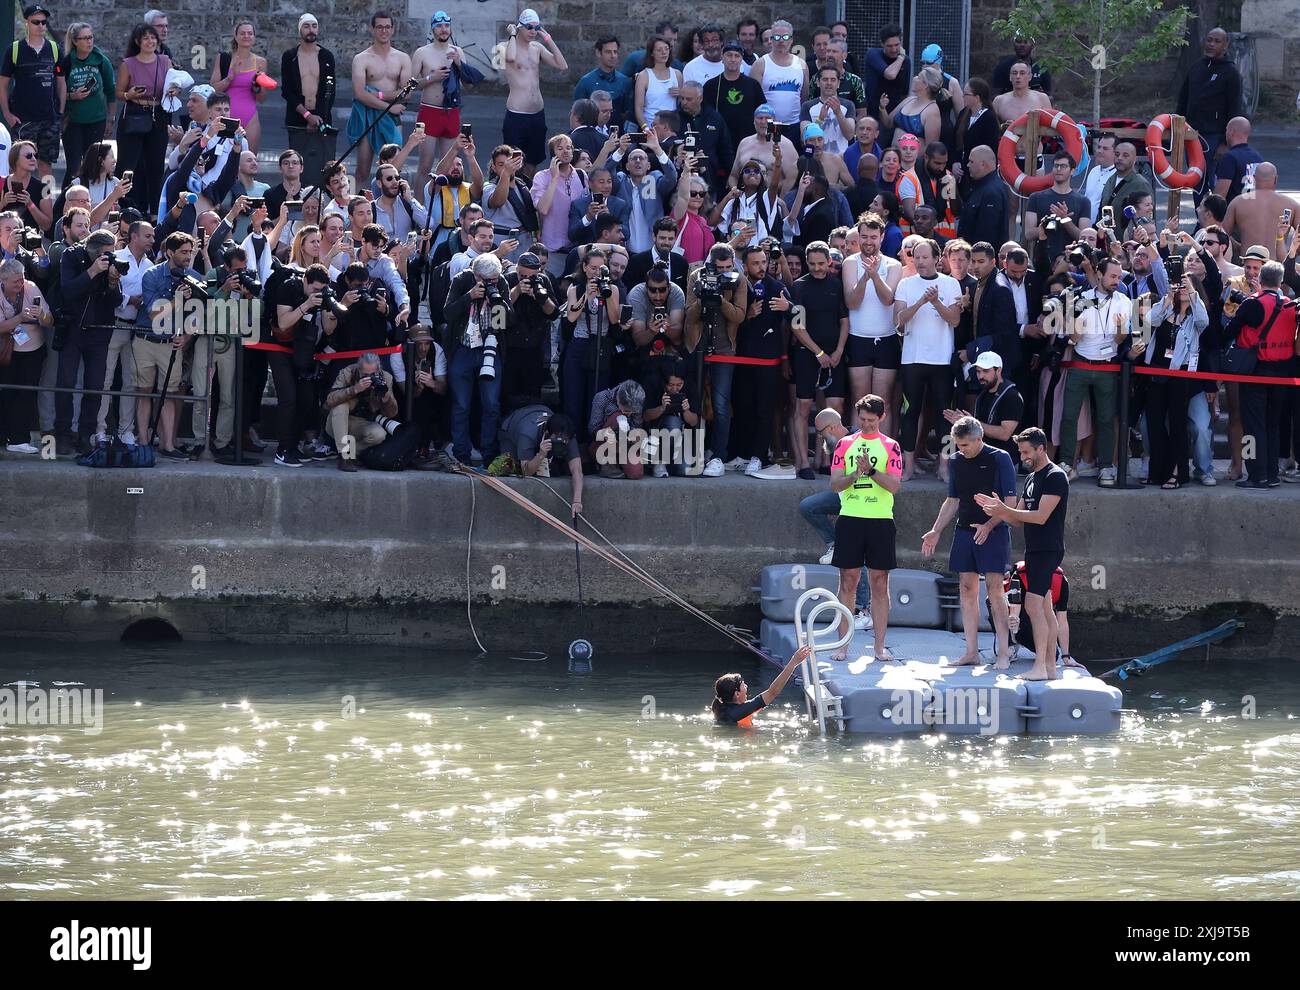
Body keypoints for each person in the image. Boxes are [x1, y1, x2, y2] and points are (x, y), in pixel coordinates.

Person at [922, 416, 1016, 667]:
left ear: (979, 439)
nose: (960, 450)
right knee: (966, 588)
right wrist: (936, 530)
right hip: (964, 530)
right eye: (957, 445)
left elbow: (1011, 503)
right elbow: (952, 500)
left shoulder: (1000, 458)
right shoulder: (956, 461)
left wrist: (989, 525)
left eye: (965, 445)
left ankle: (1004, 652)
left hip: (994, 530)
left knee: (996, 589)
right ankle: (971, 651)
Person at [975, 428, 1069, 682]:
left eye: (1027, 451)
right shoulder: (1031, 478)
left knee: (1033, 605)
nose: (1023, 456)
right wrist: (997, 511)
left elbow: (1040, 516)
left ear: (1041, 448)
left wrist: (1006, 510)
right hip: (1035, 549)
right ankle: (1049, 667)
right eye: (1021, 451)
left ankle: (1040, 665)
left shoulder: (1055, 476)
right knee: (1045, 608)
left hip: (1048, 548)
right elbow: (1017, 519)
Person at [829, 393, 903, 662]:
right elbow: (835, 484)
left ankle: (879, 646)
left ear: (882, 417)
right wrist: (855, 475)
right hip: (850, 517)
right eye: (862, 419)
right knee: (847, 580)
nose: (866, 425)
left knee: (879, 583)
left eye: (871, 420)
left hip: (880, 519)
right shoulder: (844, 444)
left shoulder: (891, 446)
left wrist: (871, 472)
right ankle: (843, 644)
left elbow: (895, 486)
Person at [894, 238, 962, 481]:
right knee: (910, 413)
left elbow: (954, 320)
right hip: (913, 359)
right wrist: (921, 301)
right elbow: (898, 320)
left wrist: (936, 302)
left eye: (925, 257)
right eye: (916, 257)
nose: (920, 261)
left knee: (945, 415)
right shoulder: (906, 284)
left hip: (942, 360)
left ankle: (944, 466)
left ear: (936, 258)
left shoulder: (951, 284)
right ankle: (908, 465)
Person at [1058, 257, 1130, 486]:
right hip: (1080, 362)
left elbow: (1122, 340)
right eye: (1112, 276)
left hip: (1107, 365)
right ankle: (1067, 463)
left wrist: (1120, 330)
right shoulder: (1079, 298)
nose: (1116, 281)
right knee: (1069, 416)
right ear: (1099, 274)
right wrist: (1076, 329)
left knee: (1107, 418)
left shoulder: (1125, 301)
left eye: (1119, 277)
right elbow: (1070, 338)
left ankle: (1106, 466)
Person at [1226, 260, 1297, 489]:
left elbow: (1231, 330)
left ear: (1261, 279)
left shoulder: (1252, 304)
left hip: (1255, 372)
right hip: (1282, 373)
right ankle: (1272, 474)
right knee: (1273, 425)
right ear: (1281, 281)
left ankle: (1256, 475)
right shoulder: (1290, 305)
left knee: (1252, 426)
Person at [1143, 272, 1210, 489]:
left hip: (1180, 375)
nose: (1181, 288)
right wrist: (1167, 297)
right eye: (1179, 285)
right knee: (1154, 424)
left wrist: (1192, 292)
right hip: (1156, 373)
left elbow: (1204, 321)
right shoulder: (1165, 310)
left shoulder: (1195, 316)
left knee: (1178, 425)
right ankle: (1156, 472)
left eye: (1186, 286)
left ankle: (1176, 473)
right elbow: (1149, 320)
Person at [789, 241, 850, 480]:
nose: (817, 268)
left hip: (834, 356)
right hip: (807, 355)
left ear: (829, 262)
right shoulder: (799, 287)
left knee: (834, 408)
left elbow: (844, 321)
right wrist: (818, 353)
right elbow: (797, 326)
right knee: (803, 407)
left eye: (821, 264)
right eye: (812, 264)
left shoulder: (836, 285)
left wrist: (837, 351)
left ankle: (826, 460)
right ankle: (802, 462)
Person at [347, 13, 411, 186]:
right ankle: (357, 209)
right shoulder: (361, 58)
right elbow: (359, 93)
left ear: (393, 29)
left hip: (391, 117)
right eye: (380, 27)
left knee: (394, 170)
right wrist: (388, 106)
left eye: (387, 27)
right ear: (372, 29)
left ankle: (392, 209)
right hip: (367, 115)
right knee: (362, 171)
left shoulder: (402, 58)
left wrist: (377, 94)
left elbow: (406, 92)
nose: (384, 31)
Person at [114, 23, 171, 217]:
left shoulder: (165, 61)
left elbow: (174, 85)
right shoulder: (128, 63)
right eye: (146, 38)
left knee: (155, 166)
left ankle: (155, 211)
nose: (150, 41)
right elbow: (119, 93)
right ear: (138, 41)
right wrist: (129, 94)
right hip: (134, 114)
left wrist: (174, 90)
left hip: (158, 115)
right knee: (128, 165)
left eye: (153, 37)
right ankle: (126, 208)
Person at [1176, 25, 1242, 193]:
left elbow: (1235, 109)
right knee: (1196, 180)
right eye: (1209, 40)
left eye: (1217, 41)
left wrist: (1225, 143)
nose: (1212, 44)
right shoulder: (1196, 68)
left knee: (1213, 182)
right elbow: (1183, 101)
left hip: (1215, 137)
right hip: (1191, 134)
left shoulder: (1231, 72)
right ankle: (1201, 218)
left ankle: (1217, 218)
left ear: (1225, 45)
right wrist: (1178, 130)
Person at [0, 6, 64, 180]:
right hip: (22, 119)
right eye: (36, 22)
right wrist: (7, 114)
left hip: (49, 119)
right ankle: (17, 204)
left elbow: (61, 81)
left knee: (46, 165)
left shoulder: (55, 49)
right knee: (20, 165)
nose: (41, 26)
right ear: (27, 22)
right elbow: (2, 84)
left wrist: (60, 112)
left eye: (44, 22)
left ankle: (47, 204)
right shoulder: (14, 50)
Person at [503, 10, 568, 167]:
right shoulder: (503, 47)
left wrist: (548, 38)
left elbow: (562, 65)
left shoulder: (537, 48)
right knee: (514, 162)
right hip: (516, 115)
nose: (533, 31)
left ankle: (531, 190)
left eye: (536, 27)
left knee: (533, 162)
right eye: (529, 27)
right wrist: (512, 35)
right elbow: (510, 57)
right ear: (519, 27)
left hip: (537, 115)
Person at [281, 15, 338, 193]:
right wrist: (307, 115)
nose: (311, 30)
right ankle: (295, 200)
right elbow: (287, 91)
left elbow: (330, 91)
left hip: (322, 118)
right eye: (306, 26)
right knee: (296, 165)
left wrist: (318, 117)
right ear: (300, 30)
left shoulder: (326, 56)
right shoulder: (290, 56)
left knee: (324, 166)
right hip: (298, 118)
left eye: (314, 26)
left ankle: (323, 203)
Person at [0, 255, 51, 453]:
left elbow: (50, 320)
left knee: (26, 394)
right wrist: (21, 317)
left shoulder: (31, 287)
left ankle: (20, 439)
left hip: (33, 349)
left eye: (22, 278)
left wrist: (41, 315)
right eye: (15, 281)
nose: (20, 283)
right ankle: (4, 436)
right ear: (2, 281)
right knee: (6, 393)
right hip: (6, 351)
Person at [59, 22, 114, 190]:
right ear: (75, 41)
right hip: (73, 121)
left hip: (96, 121)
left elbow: (111, 91)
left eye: (91, 37)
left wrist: (111, 119)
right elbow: (56, 92)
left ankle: (89, 203)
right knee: (74, 167)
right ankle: (64, 204)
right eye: (85, 38)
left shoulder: (100, 61)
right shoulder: (66, 62)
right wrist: (71, 96)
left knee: (93, 166)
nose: (89, 42)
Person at [995, 560, 1076, 667]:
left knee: (1053, 655)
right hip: (1019, 617)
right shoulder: (1020, 574)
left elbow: (1062, 621)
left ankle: (1024, 640)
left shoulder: (1061, 580)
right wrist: (1013, 621)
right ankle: (1010, 644)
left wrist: (1066, 656)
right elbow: (1015, 608)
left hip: (1037, 623)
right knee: (993, 602)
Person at [712, 645, 812, 726]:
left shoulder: (725, 709)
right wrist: (794, 661)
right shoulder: (739, 712)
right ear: (737, 694)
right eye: (743, 685)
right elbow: (773, 692)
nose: (746, 686)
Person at [212, 21, 269, 153]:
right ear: (236, 36)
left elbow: (262, 98)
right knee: (222, 162)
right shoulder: (224, 58)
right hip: (225, 116)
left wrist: (257, 86)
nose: (246, 36)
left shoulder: (260, 62)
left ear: (254, 37)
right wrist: (230, 78)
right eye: (242, 33)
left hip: (250, 118)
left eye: (250, 33)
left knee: (248, 161)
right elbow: (213, 90)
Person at [1223, 163, 1299, 255]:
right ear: (1276, 179)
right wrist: (1290, 254)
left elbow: (1222, 236)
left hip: (1249, 265)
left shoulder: (1237, 202)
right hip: (1278, 265)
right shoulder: (1292, 205)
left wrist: (1238, 247)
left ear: (1254, 178)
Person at [748, 20, 807, 127]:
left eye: (785, 37)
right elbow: (752, 99)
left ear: (791, 40)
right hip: (766, 126)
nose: (781, 41)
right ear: (771, 39)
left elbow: (804, 97)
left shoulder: (801, 64)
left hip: (794, 126)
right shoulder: (760, 64)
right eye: (776, 37)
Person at [703, 42, 763, 143]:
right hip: (720, 139)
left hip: (748, 139)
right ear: (722, 58)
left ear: (741, 59)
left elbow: (761, 111)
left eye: (737, 56)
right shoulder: (711, 85)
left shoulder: (753, 85)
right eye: (729, 55)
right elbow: (706, 114)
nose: (733, 59)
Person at [956, 146, 1008, 254]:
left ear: (983, 164)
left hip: (980, 258)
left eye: (971, 161)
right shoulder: (981, 186)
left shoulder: (991, 192)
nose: (967, 165)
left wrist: (977, 259)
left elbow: (987, 233)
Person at [573, 35, 631, 131]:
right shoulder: (586, 82)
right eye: (608, 52)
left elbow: (627, 114)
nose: (613, 56)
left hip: (618, 136)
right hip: (591, 136)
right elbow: (576, 115)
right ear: (598, 53)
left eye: (615, 52)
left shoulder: (624, 81)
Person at [1099, 142, 1153, 241]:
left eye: (1125, 155)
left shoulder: (1140, 184)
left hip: (1129, 245)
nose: (1120, 158)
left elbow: (1148, 219)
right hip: (1107, 242)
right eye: (1117, 154)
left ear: (1134, 159)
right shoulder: (1110, 180)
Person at [879, 68, 943, 147]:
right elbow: (888, 124)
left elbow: (931, 148)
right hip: (895, 157)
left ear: (926, 85)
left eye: (919, 77)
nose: (914, 78)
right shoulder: (909, 100)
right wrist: (882, 108)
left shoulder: (932, 111)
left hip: (914, 159)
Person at [863, 24, 910, 129]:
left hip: (895, 115)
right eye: (889, 46)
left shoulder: (906, 61)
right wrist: (901, 56)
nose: (894, 49)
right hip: (874, 114)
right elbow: (890, 74)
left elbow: (905, 93)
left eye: (897, 45)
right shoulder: (873, 54)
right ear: (882, 44)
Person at [633, 35, 682, 132]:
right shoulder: (644, 76)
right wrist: (645, 127)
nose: (664, 53)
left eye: (666, 49)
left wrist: (681, 93)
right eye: (659, 50)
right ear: (651, 53)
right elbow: (638, 107)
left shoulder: (677, 74)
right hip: (651, 126)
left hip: (671, 129)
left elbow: (682, 103)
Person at [1212, 117, 1261, 204]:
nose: (1226, 133)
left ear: (1231, 132)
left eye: (1227, 130)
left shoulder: (1229, 158)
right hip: (1252, 210)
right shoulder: (1257, 157)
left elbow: (1219, 196)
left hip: (1233, 212)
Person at [1079, 133, 1116, 224]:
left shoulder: (1118, 175)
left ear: (1116, 152)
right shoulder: (1093, 171)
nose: (1099, 151)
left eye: (1105, 148)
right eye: (1099, 147)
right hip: (1086, 229)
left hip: (1105, 230)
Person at [682, 24, 729, 90]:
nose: (711, 45)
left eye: (714, 40)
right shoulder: (691, 68)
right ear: (702, 44)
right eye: (706, 41)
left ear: (721, 42)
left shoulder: (734, 63)